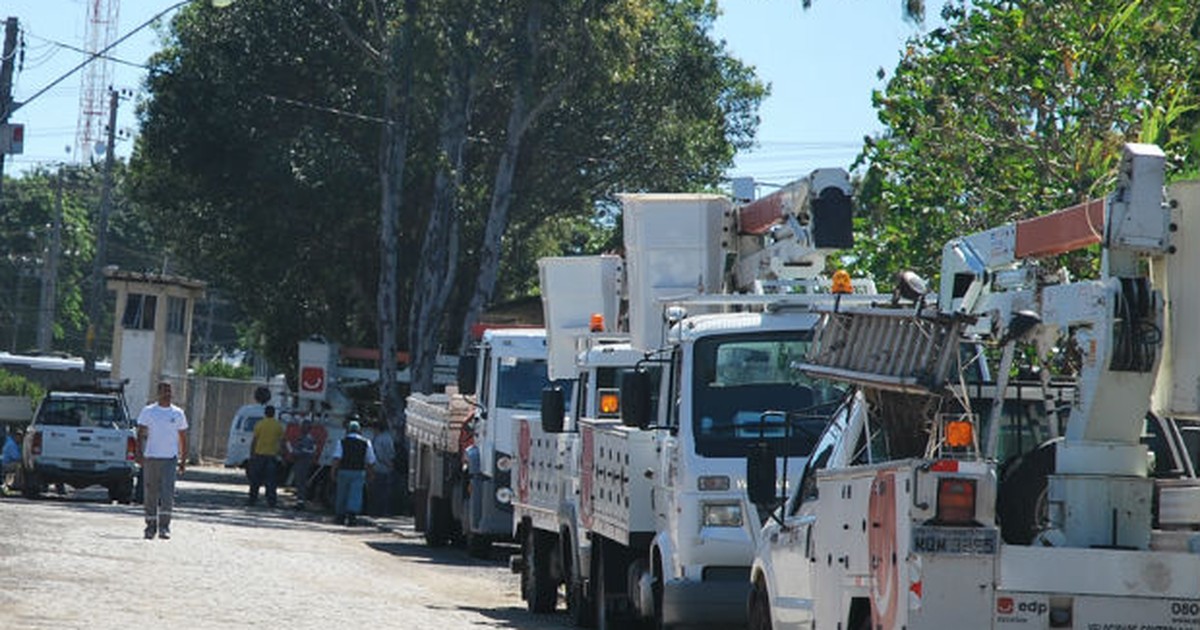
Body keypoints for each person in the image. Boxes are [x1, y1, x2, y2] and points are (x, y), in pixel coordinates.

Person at [136, 381, 188, 540]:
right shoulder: (149, 411)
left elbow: (183, 437)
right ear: (158, 392)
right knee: (150, 493)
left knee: (167, 493)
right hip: (151, 457)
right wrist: (139, 453)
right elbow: (140, 433)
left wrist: (183, 460)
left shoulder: (178, 413)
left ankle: (164, 527)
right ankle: (150, 526)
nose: (167, 393)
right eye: (164, 390)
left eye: (169, 391)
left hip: (170, 459)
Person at [330, 419, 375, 526]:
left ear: (348, 430)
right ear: (359, 431)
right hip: (358, 472)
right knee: (356, 494)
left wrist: (333, 472)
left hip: (344, 471)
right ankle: (352, 516)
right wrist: (371, 474)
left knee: (342, 493)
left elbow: (337, 458)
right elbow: (371, 460)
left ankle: (340, 516)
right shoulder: (366, 443)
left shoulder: (342, 442)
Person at [247, 404, 285, 508]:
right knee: (271, 481)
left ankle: (252, 499)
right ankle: (271, 501)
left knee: (255, 480)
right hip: (272, 456)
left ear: (265, 413)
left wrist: (252, 454)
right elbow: (282, 442)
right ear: (274, 413)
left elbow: (254, 440)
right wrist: (282, 455)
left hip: (259, 455)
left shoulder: (260, 424)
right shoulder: (278, 426)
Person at [287, 418, 318, 510]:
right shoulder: (310, 439)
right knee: (301, 483)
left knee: (300, 483)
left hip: (302, 463)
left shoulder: (306, 439)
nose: (301, 428)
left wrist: (289, 448)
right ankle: (300, 501)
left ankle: (300, 503)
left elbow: (301, 452)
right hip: (305, 463)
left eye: (303, 426)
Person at [367, 420, 396, 516]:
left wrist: (387, 463)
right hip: (386, 469)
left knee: (377, 492)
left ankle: (376, 511)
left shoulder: (379, 439)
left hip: (379, 468)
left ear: (377, 429)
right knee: (385, 492)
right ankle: (384, 511)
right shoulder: (388, 437)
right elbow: (391, 453)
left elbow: (379, 455)